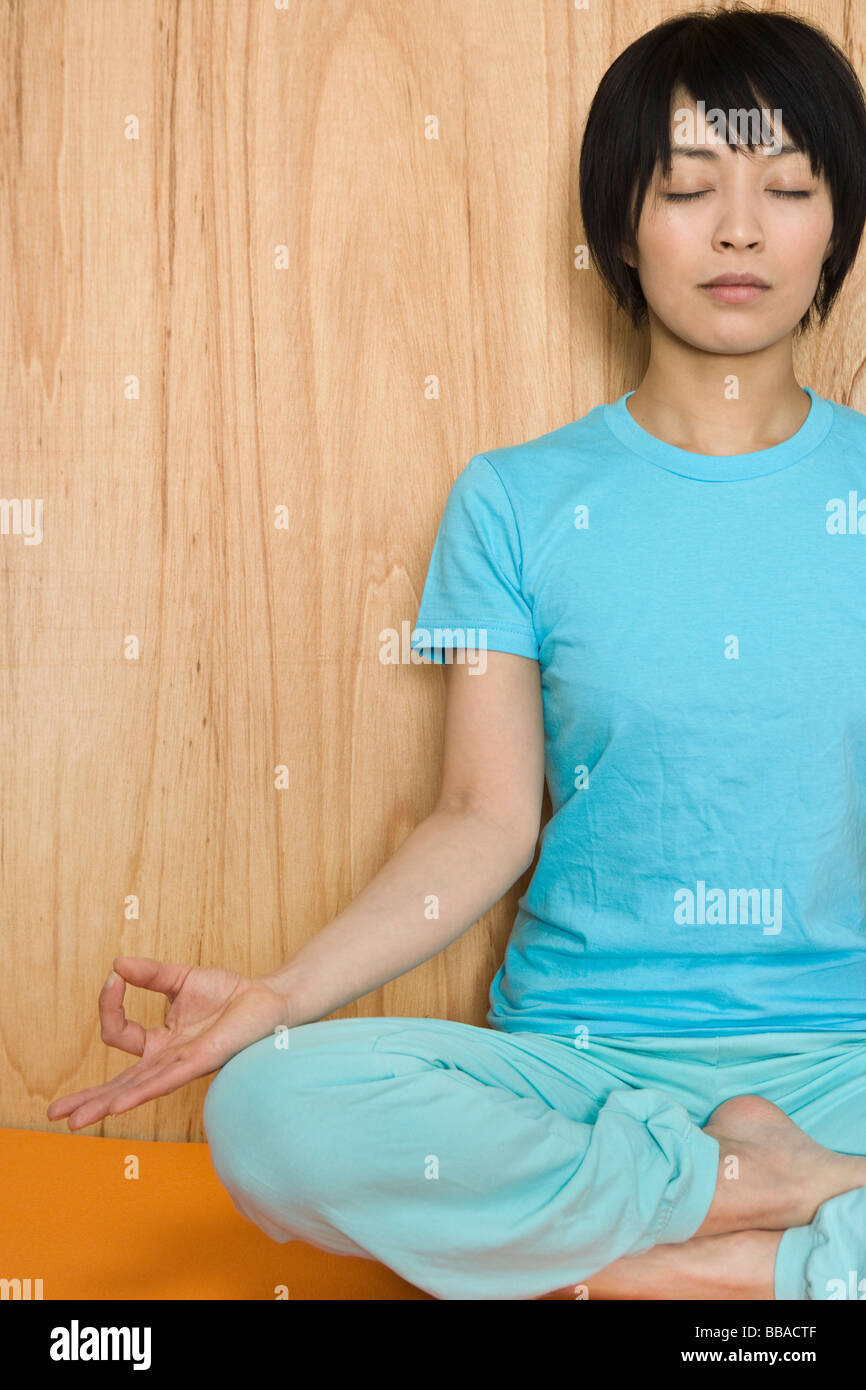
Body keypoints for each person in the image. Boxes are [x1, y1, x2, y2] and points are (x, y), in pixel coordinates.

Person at [47, 4, 866, 1301]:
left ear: (836, 226)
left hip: (843, 1059)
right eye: (687, 187)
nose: (738, 229)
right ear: (618, 226)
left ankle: (649, 1270)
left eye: (786, 187)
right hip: (581, 1067)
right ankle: (760, 1209)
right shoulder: (515, 498)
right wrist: (279, 992)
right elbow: (483, 820)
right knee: (269, 1111)